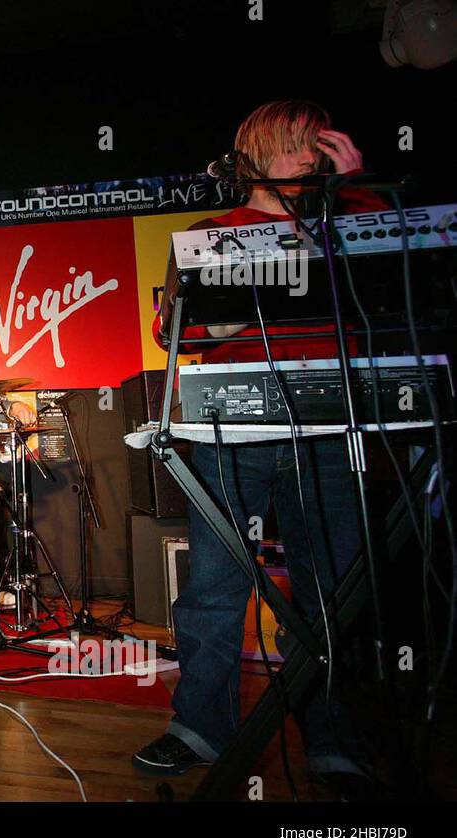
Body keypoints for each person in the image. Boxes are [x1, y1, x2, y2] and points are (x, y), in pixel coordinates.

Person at [136, 100, 386, 797]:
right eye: (298, 147)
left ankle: (335, 740)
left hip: (331, 430)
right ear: (259, 155)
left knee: (331, 591)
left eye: (319, 147)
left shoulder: (345, 219)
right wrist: (219, 311)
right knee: (215, 587)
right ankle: (199, 727)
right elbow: (176, 332)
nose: (311, 159)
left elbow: (395, 270)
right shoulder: (213, 233)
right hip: (233, 432)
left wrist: (354, 186)